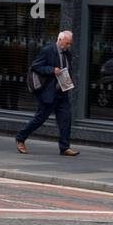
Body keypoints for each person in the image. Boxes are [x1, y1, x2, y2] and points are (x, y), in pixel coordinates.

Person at [15, 29, 80, 157]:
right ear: (60, 40)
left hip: (62, 92)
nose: (69, 46)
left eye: (70, 44)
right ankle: (20, 138)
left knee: (66, 120)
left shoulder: (68, 53)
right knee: (40, 119)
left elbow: (67, 69)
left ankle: (65, 147)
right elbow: (35, 67)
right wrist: (51, 70)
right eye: (67, 43)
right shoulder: (48, 50)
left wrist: (68, 80)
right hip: (48, 93)